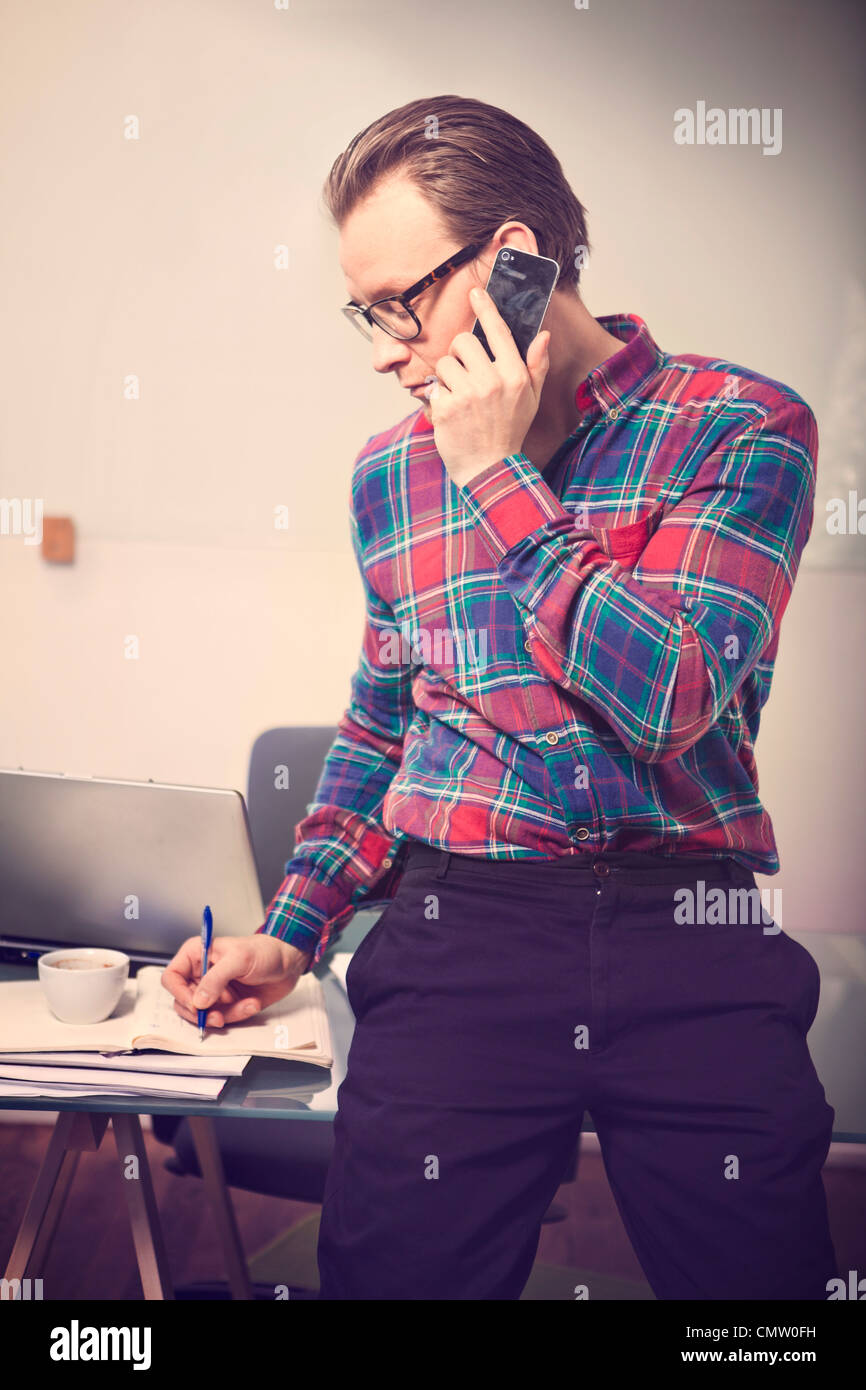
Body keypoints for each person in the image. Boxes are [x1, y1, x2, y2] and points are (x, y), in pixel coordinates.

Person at [163, 94, 837, 1301]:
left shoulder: (740, 425)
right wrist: (291, 928)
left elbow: (669, 696)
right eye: (360, 316)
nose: (382, 352)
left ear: (515, 263)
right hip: (459, 933)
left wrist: (495, 477)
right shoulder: (387, 472)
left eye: (399, 308)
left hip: (688, 930)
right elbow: (382, 730)